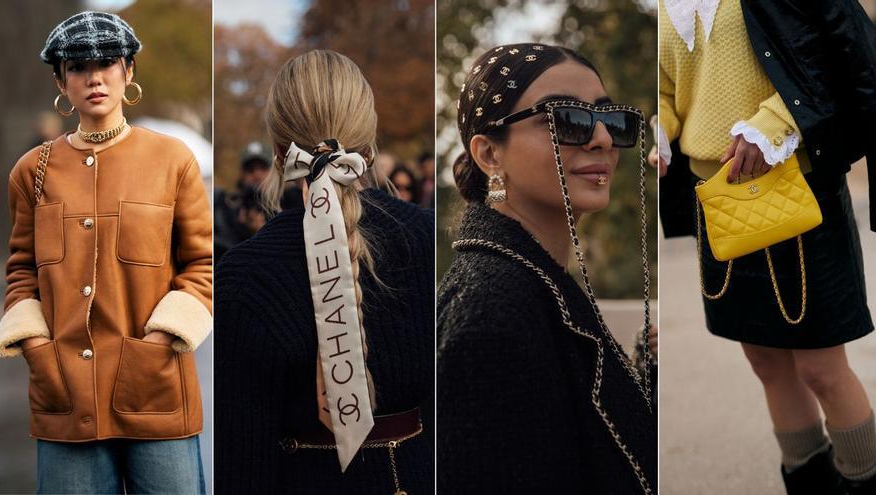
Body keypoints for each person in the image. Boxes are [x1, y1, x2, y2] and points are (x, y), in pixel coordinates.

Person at [658, 1, 876, 493]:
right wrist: (661, 128)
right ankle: (809, 482)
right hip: (715, 200)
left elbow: (828, 58)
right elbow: (669, 89)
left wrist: (774, 124)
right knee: (765, 360)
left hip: (795, 185)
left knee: (821, 369)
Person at [0, 11, 212, 494]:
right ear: (61, 81)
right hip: (64, 399)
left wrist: (160, 343)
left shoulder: (173, 160)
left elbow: (202, 265)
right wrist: (38, 350)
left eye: (107, 62)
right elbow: (22, 272)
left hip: (158, 395)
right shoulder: (31, 171)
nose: (94, 77)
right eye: (77, 67)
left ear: (128, 70)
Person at [437, 43, 656, 493]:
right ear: (489, 154)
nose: (602, 139)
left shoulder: (537, 278)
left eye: (611, 119)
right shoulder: (489, 319)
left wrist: (641, 372)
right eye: (566, 120)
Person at [215, 49, 434, 493]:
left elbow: (241, 466)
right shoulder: (429, 238)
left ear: (280, 153)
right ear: (368, 146)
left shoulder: (244, 275)